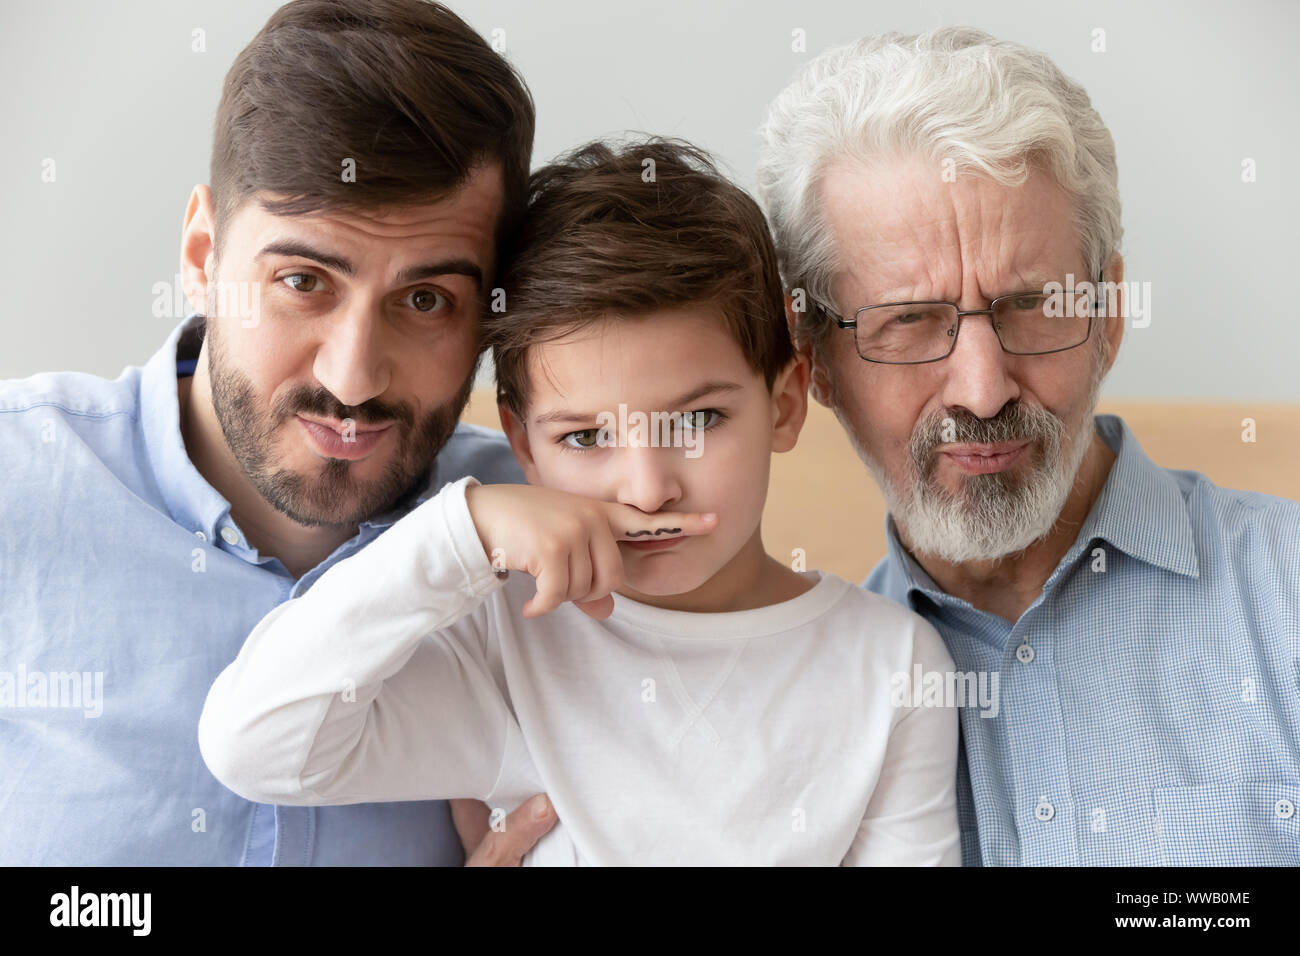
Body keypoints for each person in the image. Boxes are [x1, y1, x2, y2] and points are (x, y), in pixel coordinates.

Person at [197, 138, 962, 865]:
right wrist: (464, 532)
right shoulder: (507, 640)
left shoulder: (893, 668)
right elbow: (255, 746)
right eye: (587, 438)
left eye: (695, 422)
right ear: (522, 444)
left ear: (787, 403)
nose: (647, 486)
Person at [0, 0, 558, 865]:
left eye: (424, 301)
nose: (352, 378)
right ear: (201, 258)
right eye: (303, 280)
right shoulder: (19, 485)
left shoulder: (552, 540)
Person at [754, 27, 1300, 865]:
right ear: (814, 359)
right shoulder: (789, 706)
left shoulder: (1285, 596)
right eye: (909, 320)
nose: (982, 388)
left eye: (1029, 305)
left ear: (1109, 313)